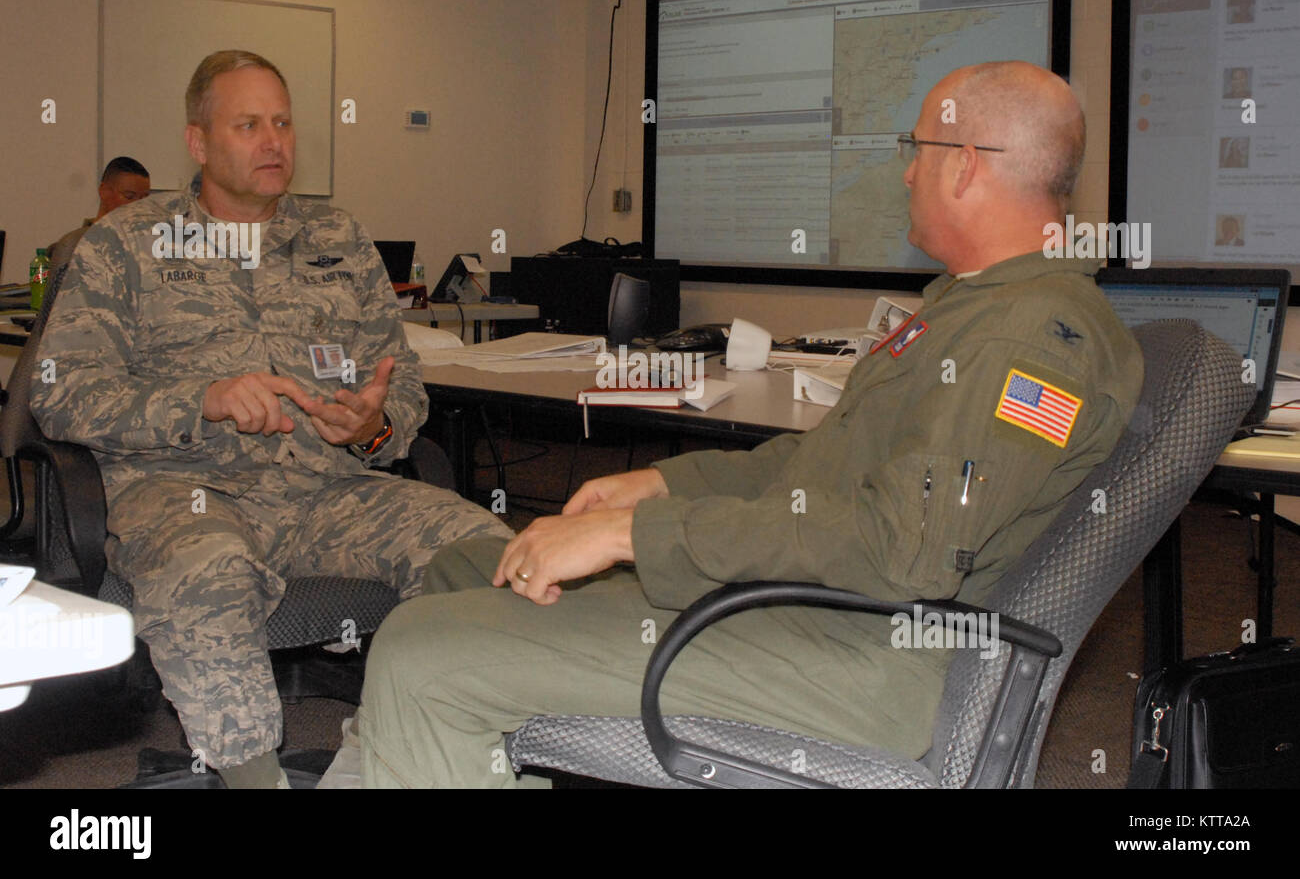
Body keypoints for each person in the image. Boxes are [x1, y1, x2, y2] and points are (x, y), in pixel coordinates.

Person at [345, 61, 1144, 789]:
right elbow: (814, 468)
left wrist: (634, 537)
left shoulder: (1024, 339)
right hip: (820, 608)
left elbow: (902, 549)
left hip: (862, 653)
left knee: (422, 652)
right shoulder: (972, 307)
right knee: (474, 568)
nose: (906, 171)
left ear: (965, 165)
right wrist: (659, 484)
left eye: (917, 149)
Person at [30, 50, 509, 789]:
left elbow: (400, 383)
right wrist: (202, 399)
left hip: (327, 491)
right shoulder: (125, 242)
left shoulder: (339, 240)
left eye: (282, 123)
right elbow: (61, 391)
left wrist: (373, 427)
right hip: (182, 490)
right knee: (208, 574)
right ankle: (256, 778)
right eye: (248, 124)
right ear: (198, 142)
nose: (273, 142)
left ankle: (380, 759)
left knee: (488, 556)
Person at [48, 157, 151, 275]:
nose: (138, 205)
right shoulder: (72, 247)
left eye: (144, 199)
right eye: (129, 196)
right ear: (104, 191)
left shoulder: (148, 249)